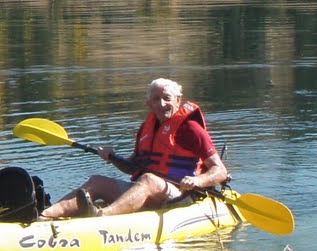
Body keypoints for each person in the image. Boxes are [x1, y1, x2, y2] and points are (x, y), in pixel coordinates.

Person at [39, 78, 229, 219]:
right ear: (149, 104)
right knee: (96, 181)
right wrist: (112, 158)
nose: (162, 104)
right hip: (149, 189)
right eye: (156, 99)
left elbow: (220, 171)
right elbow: (134, 167)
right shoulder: (147, 129)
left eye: (167, 98)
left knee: (148, 180)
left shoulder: (191, 129)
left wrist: (198, 180)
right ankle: (44, 216)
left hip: (180, 195)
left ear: (178, 100)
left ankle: (101, 217)